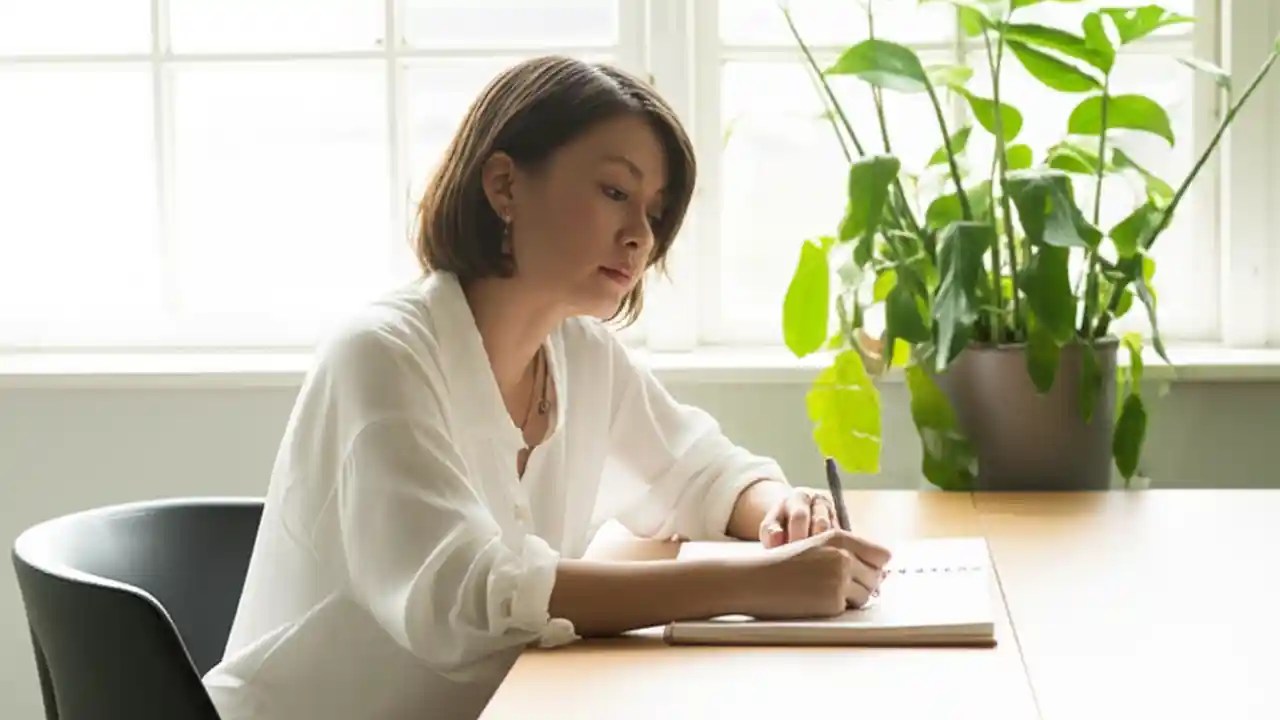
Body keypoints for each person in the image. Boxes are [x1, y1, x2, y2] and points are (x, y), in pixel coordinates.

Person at [202, 55, 892, 720]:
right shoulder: (380, 356)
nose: (640, 237)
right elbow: (469, 596)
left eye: (654, 211)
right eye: (616, 192)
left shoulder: (580, 355)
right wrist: (750, 585)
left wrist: (782, 510)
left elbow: (700, 471)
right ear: (504, 185)